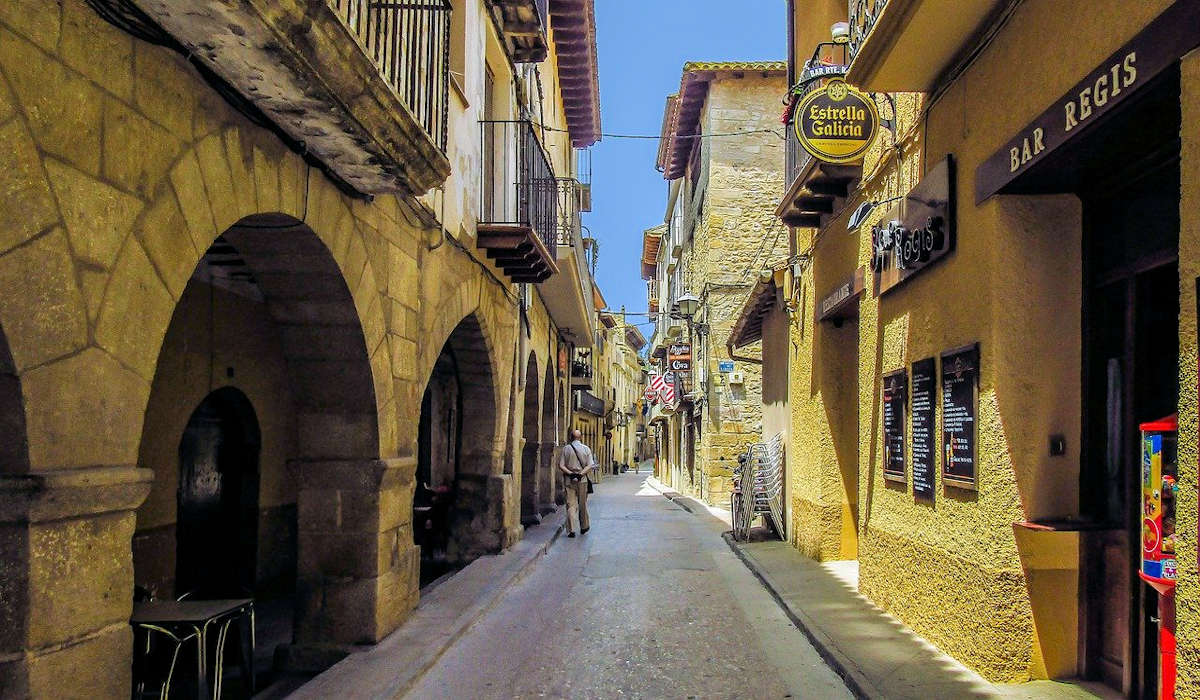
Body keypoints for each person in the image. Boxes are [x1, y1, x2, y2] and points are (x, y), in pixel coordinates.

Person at [558, 429, 595, 537]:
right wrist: (580, 475)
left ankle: (572, 530)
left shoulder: (566, 449)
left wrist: (571, 474)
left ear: (571, 437)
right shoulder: (586, 449)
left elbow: (561, 465)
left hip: (569, 481)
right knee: (582, 504)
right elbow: (590, 465)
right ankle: (584, 526)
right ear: (580, 437)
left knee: (571, 504)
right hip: (582, 481)